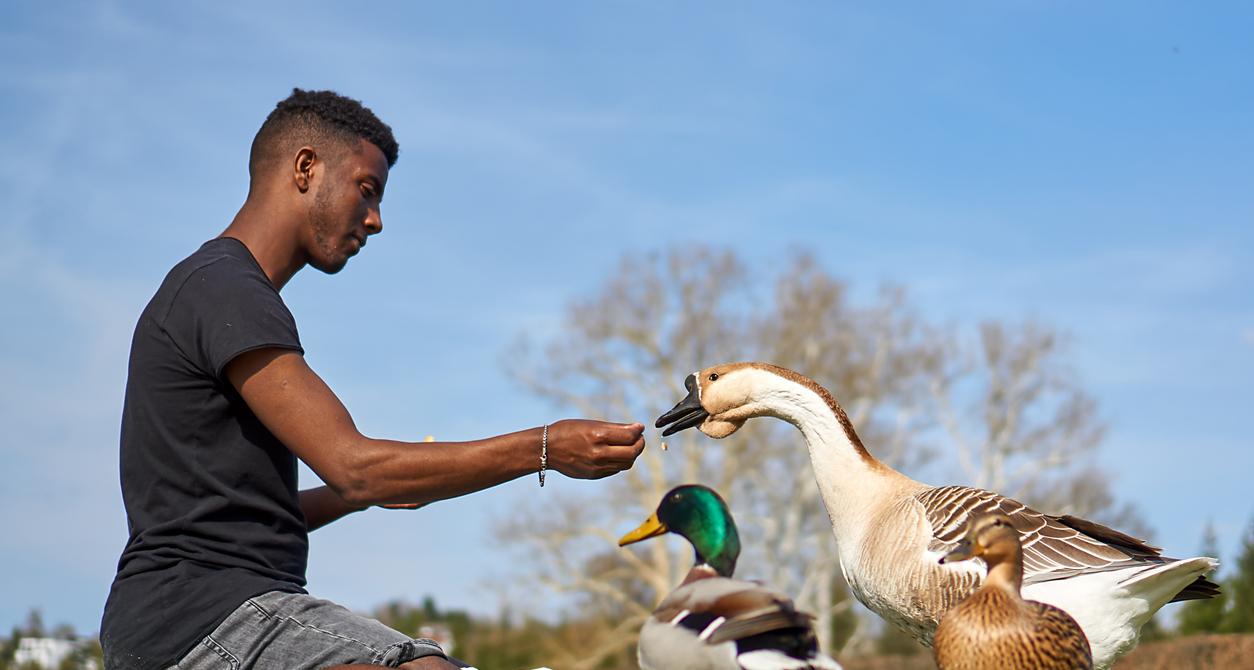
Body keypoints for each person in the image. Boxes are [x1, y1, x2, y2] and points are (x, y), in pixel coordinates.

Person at [100, 88, 647, 670]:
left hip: (172, 623)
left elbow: (248, 516)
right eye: (367, 189)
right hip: (205, 614)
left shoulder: (214, 289)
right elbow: (355, 466)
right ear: (306, 168)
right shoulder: (225, 289)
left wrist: (357, 496)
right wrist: (544, 447)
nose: (376, 220)